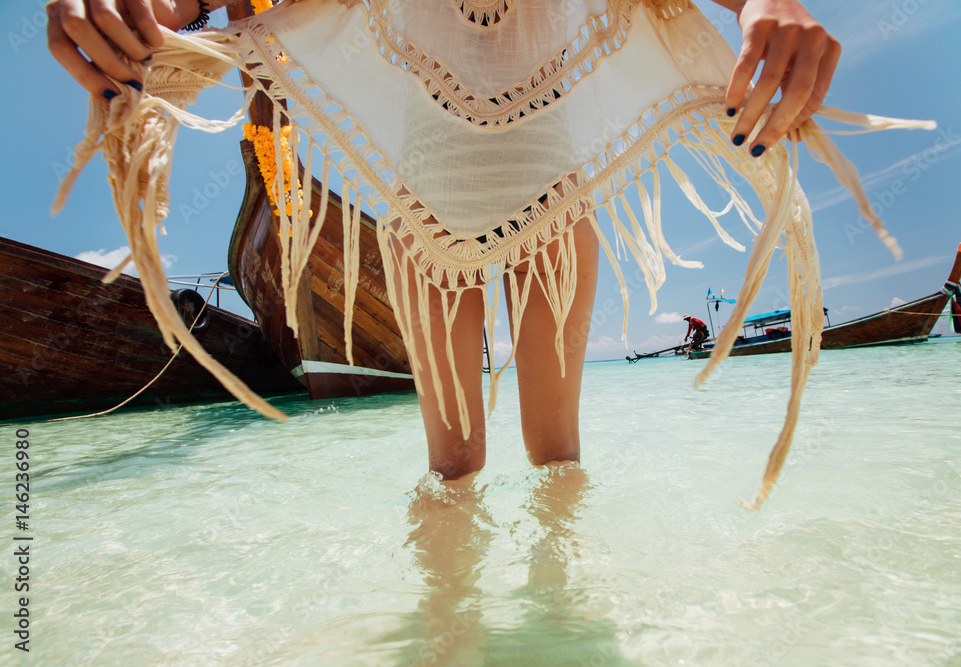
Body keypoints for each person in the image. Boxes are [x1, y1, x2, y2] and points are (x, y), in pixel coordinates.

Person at [45, 0, 855, 504]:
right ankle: (445, 634)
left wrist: (768, 1)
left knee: (557, 456)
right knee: (455, 468)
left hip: (553, 183)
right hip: (424, 188)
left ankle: (562, 618)